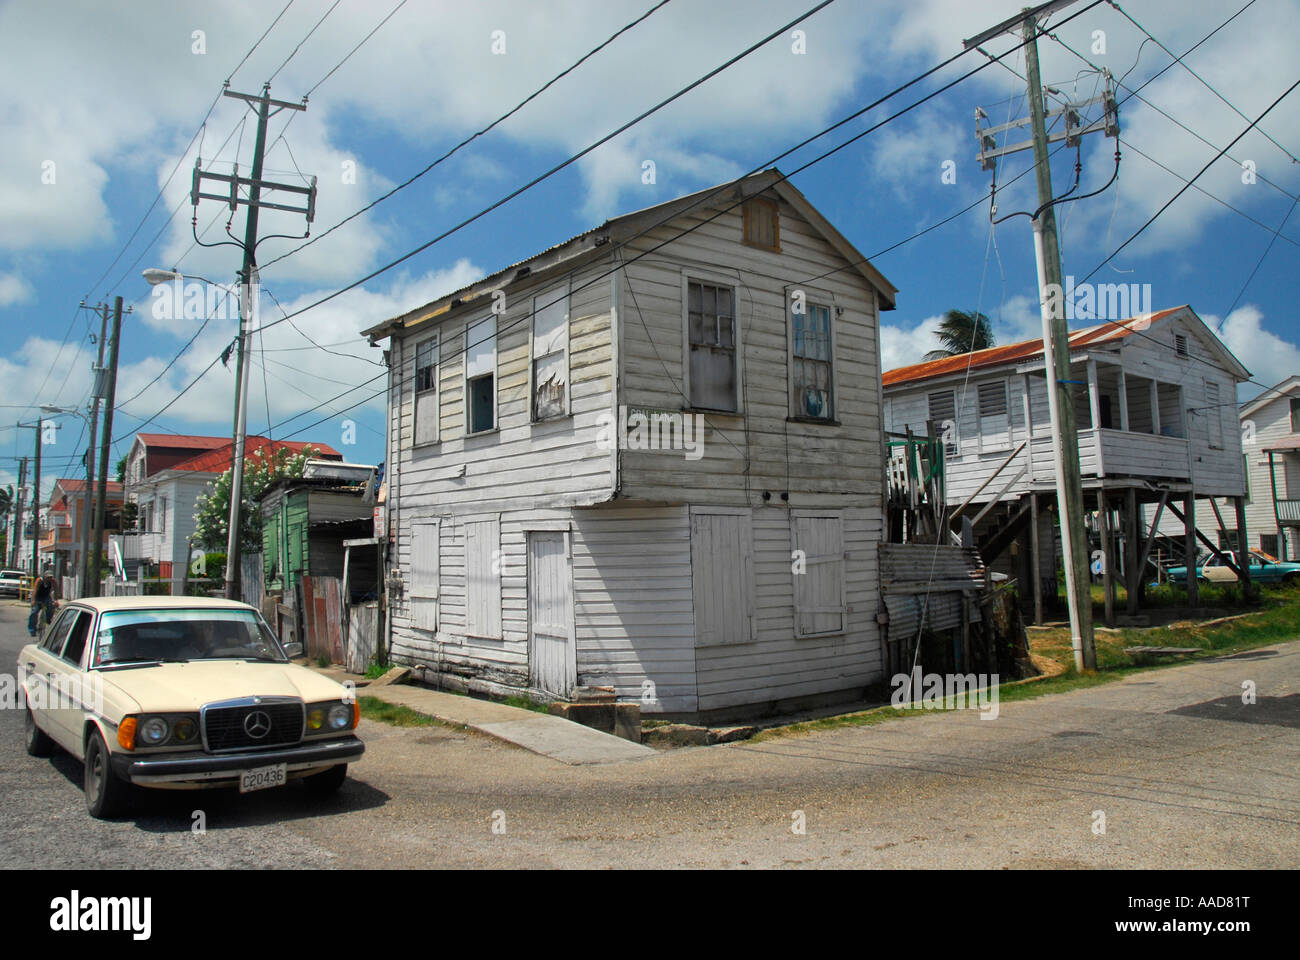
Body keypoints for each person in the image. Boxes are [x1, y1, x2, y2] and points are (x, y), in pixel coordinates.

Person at [28, 567, 59, 637]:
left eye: (51, 577)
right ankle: (32, 630)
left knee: (51, 607)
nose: (49, 579)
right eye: (48, 577)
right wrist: (33, 601)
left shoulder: (53, 581)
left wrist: (56, 600)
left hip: (46, 597)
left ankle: (48, 619)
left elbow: (56, 591)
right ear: (44, 576)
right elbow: (35, 590)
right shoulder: (39, 580)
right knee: (34, 612)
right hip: (37, 597)